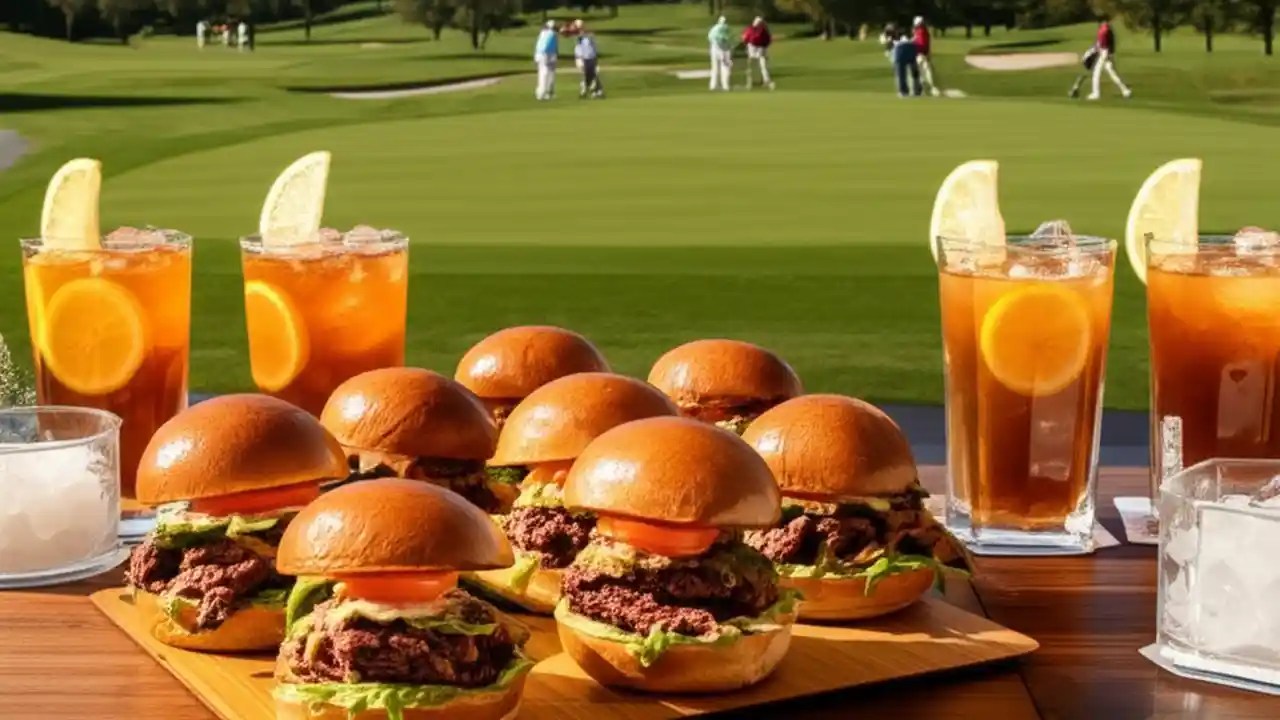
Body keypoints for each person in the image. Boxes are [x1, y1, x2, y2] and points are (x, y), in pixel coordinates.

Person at [1088, 16, 1132, 100]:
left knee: (1096, 73)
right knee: (1112, 73)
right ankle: (1125, 90)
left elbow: (1103, 43)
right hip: (1106, 53)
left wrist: (1100, 51)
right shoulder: (1107, 29)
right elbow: (1102, 43)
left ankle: (1096, 94)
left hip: (1104, 53)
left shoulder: (1104, 30)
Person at [741, 16, 775, 90]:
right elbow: (768, 40)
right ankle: (764, 80)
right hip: (759, 48)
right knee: (762, 65)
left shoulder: (750, 29)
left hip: (754, 48)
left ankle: (752, 82)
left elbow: (745, 38)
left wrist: (746, 44)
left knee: (755, 66)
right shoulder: (764, 29)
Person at [574, 21, 604, 98]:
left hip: (590, 58)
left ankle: (596, 91)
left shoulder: (589, 36)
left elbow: (594, 47)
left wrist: (595, 59)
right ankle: (585, 91)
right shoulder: (577, 36)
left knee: (593, 75)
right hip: (581, 58)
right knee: (584, 75)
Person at [912, 16, 940, 97]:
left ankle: (930, 89)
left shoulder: (920, 32)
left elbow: (922, 44)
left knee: (925, 73)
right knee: (925, 73)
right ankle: (927, 89)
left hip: (921, 55)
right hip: (922, 55)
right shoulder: (922, 31)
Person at [533, 20, 559, 101]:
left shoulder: (543, 33)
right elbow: (546, 45)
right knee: (545, 73)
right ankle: (542, 93)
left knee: (544, 73)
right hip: (546, 54)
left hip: (540, 54)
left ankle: (544, 92)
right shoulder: (551, 33)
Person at [891, 31, 921, 98]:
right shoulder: (912, 39)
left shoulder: (895, 41)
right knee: (914, 73)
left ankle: (903, 91)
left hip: (900, 52)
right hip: (911, 49)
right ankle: (917, 90)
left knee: (901, 74)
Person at [707, 16, 733, 92]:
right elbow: (727, 39)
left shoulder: (714, 28)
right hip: (724, 49)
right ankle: (725, 85)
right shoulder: (726, 28)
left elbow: (710, 38)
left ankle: (713, 85)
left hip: (714, 49)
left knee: (715, 68)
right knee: (725, 67)